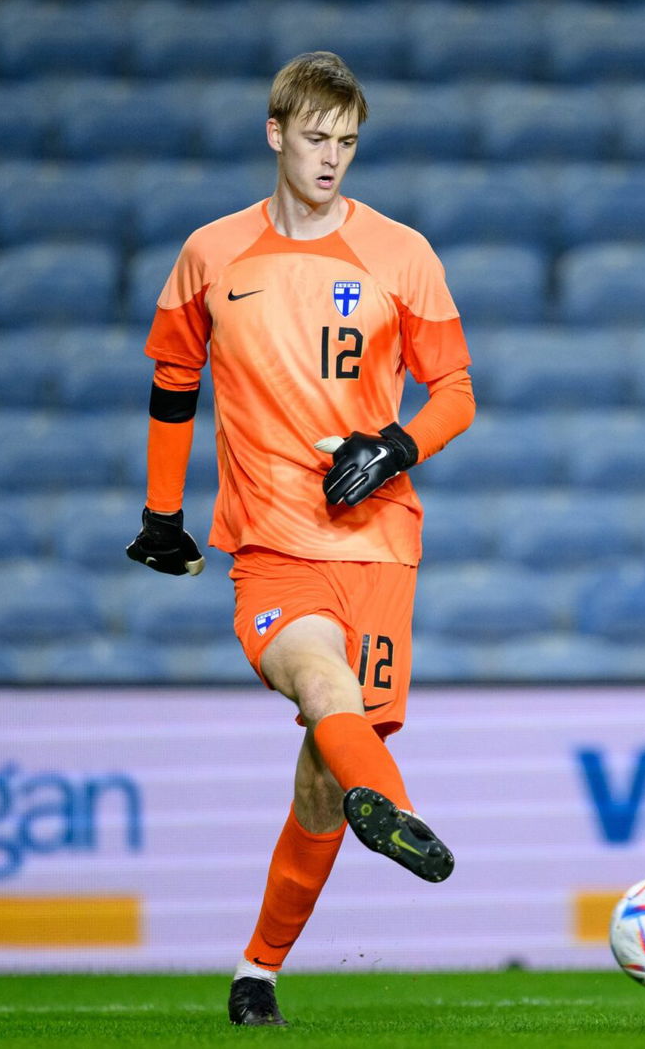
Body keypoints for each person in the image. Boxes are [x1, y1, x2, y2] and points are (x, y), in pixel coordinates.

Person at [126, 51, 476, 1027]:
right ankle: (398, 813)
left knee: (327, 772)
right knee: (325, 689)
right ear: (276, 133)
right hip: (274, 545)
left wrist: (396, 444)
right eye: (316, 138)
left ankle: (258, 968)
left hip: (379, 545)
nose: (332, 158)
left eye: (348, 142)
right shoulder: (212, 252)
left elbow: (455, 390)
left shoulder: (401, 253)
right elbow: (172, 377)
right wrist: (163, 516)